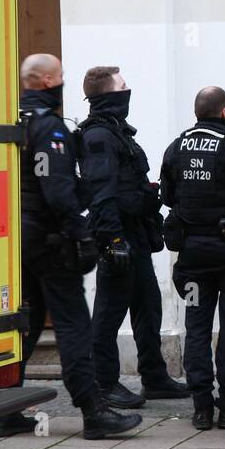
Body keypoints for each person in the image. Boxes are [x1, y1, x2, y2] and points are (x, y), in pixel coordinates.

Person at [1, 54, 141, 441]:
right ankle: (94, 412)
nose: (64, 82)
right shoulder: (50, 130)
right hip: (50, 239)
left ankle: (6, 411)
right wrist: (80, 232)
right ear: (46, 80)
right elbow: (58, 191)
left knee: (26, 327)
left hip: (21, 238)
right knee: (74, 326)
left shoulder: (16, 123)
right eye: (59, 76)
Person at [79, 66, 189, 407]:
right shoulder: (97, 137)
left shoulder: (117, 132)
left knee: (148, 306)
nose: (129, 91)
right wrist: (113, 241)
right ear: (108, 95)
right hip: (119, 238)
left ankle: (154, 377)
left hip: (136, 235)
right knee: (109, 313)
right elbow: (101, 194)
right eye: (123, 86)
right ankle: (104, 383)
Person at [160, 86, 225, 432]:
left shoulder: (175, 150)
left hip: (190, 260)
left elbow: (167, 196)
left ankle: (202, 408)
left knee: (196, 327)